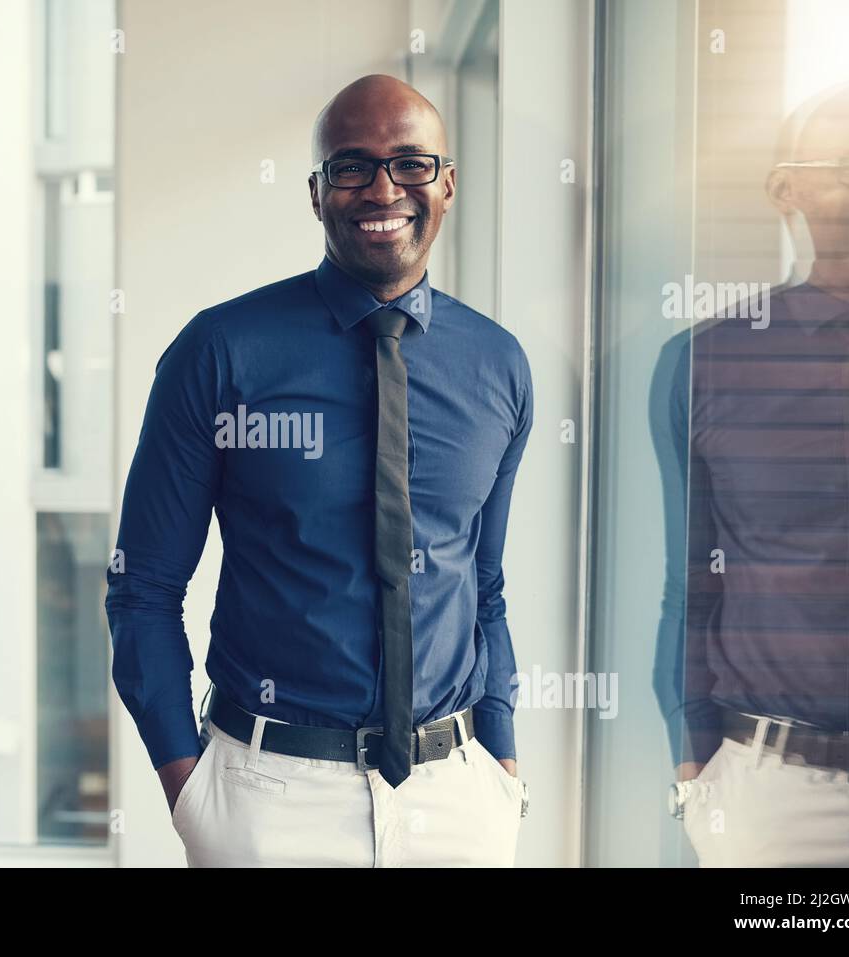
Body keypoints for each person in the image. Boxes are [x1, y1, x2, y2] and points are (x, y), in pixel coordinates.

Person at [106, 74, 533, 866]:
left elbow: (484, 580)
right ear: (315, 192)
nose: (382, 188)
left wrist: (500, 763)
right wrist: (190, 790)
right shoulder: (220, 352)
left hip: (457, 800)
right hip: (270, 800)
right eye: (351, 166)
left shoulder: (498, 364)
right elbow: (142, 588)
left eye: (410, 163)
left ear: (446, 182)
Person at [653, 76, 849, 866]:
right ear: (787, 190)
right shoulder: (708, 361)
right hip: (778, 799)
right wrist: (697, 763)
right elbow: (691, 579)